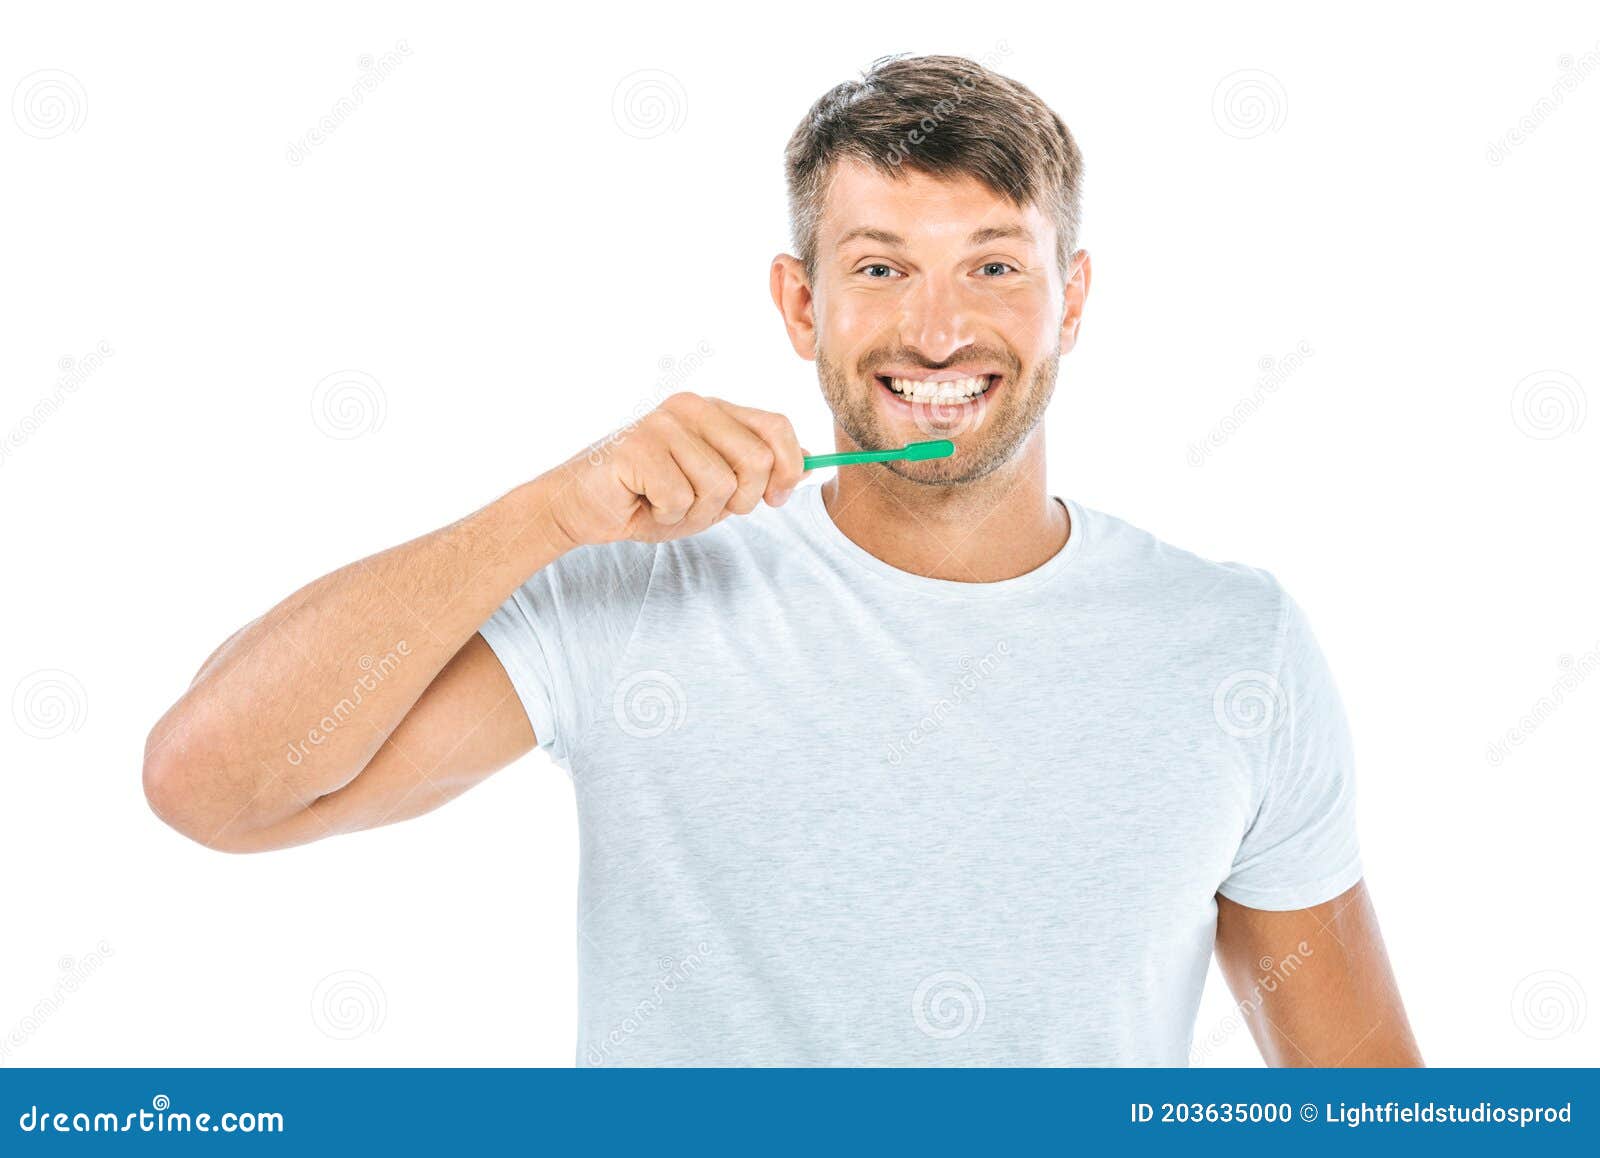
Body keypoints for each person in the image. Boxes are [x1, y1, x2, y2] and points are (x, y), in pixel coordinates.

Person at [142, 55, 1420, 1067]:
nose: (936, 329)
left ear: (1069, 300)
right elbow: (214, 786)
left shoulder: (1231, 642)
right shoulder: (641, 582)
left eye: (992, 266)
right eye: (879, 268)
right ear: (801, 303)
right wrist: (547, 512)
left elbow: (1366, 1104)